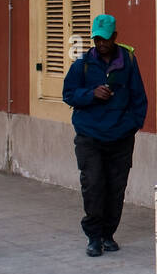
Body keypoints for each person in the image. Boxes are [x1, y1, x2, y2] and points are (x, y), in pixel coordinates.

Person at [62, 14, 147, 257]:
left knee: (116, 187)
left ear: (115, 37)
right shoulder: (83, 64)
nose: (101, 44)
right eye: (97, 39)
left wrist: (132, 125)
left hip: (120, 137)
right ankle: (93, 236)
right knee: (93, 185)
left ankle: (109, 234)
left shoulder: (128, 62)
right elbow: (68, 94)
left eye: (105, 39)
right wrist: (91, 94)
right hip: (90, 137)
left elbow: (139, 97)